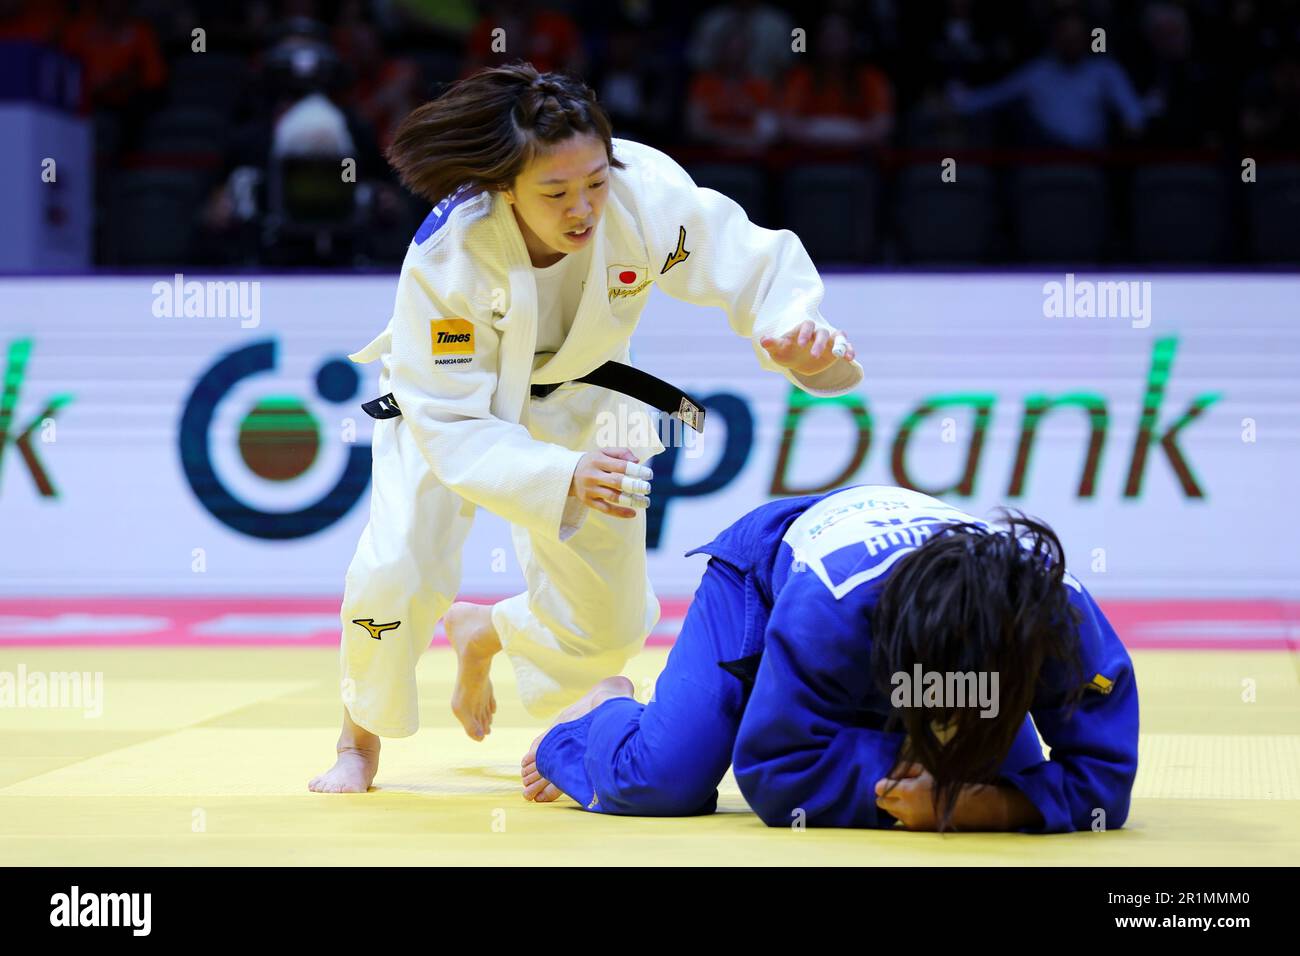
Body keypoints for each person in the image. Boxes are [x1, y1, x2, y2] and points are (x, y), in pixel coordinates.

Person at [309, 63, 863, 793]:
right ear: (505, 187)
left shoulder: (643, 195)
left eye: (595, 183)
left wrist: (791, 328)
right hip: (450, 406)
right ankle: (359, 739)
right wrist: (559, 476)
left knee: (610, 625)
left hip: (592, 401)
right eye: (556, 192)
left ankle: (490, 629)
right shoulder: (452, 257)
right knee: (397, 564)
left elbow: (745, 261)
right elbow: (453, 423)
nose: (584, 209)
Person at [522, 484, 1139, 833]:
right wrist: (921, 790)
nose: (940, 705)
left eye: (959, 698)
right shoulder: (831, 608)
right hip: (765, 580)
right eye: (929, 694)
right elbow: (774, 771)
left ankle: (937, 724)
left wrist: (984, 803)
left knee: (987, 771)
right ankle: (605, 712)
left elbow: (1103, 785)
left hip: (938, 639)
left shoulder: (1064, 623)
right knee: (661, 780)